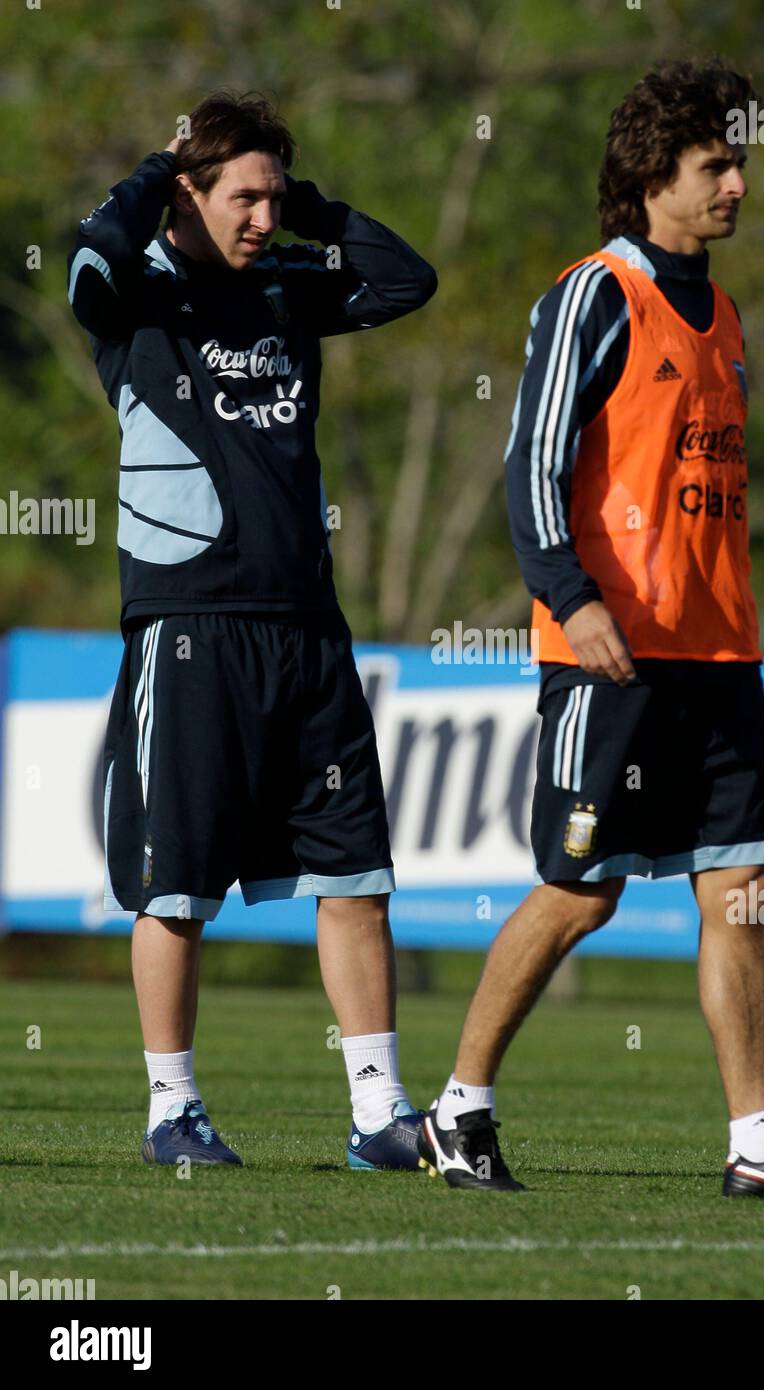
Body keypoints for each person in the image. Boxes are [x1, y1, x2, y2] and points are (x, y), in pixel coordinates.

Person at [418, 58, 764, 1202]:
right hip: (606, 653)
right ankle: (457, 1109)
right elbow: (529, 464)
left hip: (717, 654)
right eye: (713, 165)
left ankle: (756, 1139)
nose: (736, 184)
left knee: (744, 889)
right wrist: (571, 599)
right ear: (650, 178)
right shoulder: (593, 293)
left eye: (737, 162)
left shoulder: (722, 310)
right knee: (582, 890)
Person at [68, 89, 437, 1170]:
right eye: (245, 197)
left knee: (356, 876)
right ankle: (171, 1107)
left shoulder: (285, 283)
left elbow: (407, 279)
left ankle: (378, 1112)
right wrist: (158, 170)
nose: (262, 218)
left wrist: (310, 204)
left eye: (273, 197)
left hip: (308, 630)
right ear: (187, 194)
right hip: (189, 627)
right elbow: (90, 261)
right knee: (175, 886)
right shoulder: (138, 295)